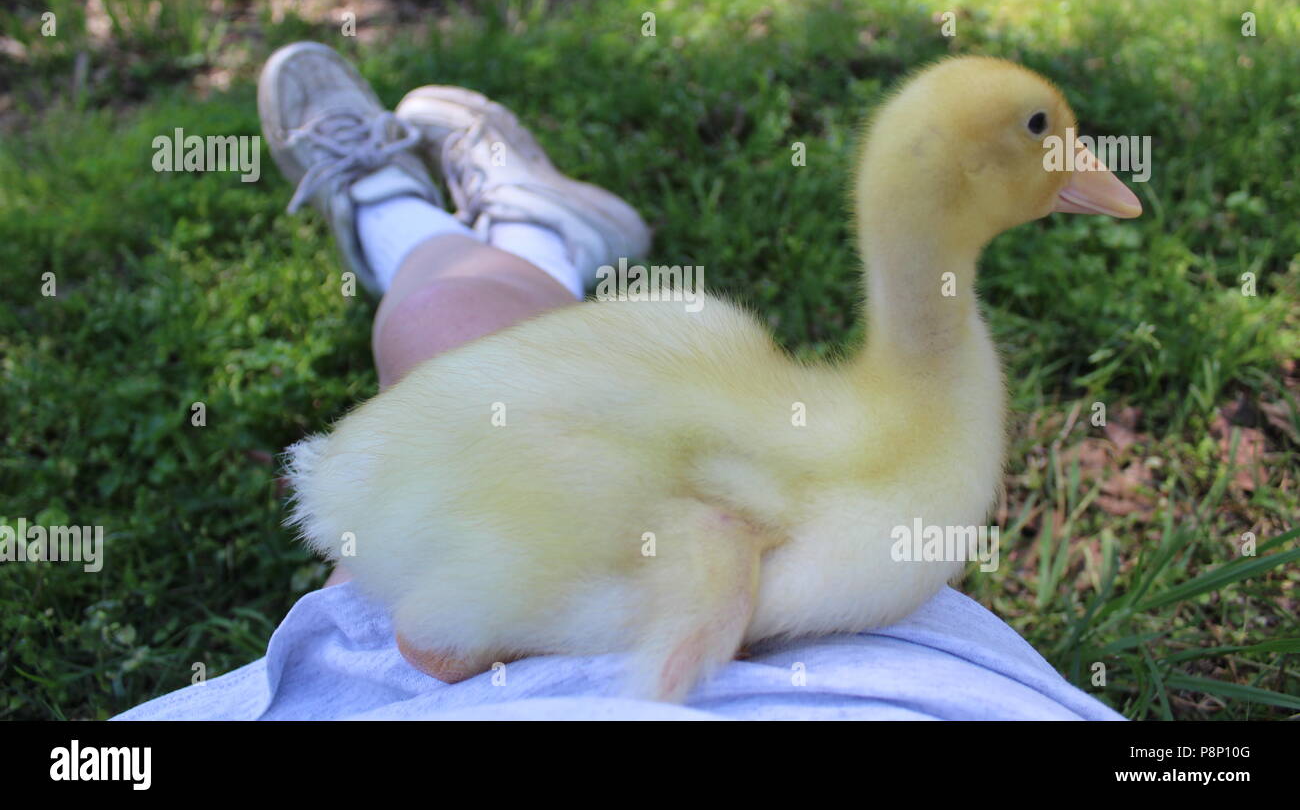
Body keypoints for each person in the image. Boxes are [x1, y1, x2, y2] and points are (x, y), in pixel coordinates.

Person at [114, 42, 1122, 720]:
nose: (1076, 159)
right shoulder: (801, 514)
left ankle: (419, 213)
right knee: (571, 370)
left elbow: (435, 625)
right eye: (1042, 131)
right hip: (897, 679)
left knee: (477, 343)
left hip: (443, 652)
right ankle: (490, 220)